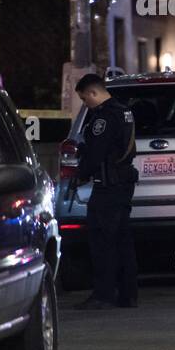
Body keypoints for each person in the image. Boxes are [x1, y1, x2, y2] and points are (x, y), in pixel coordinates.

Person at [71, 73, 139, 309]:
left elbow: (97, 153)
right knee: (122, 239)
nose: (85, 104)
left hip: (108, 185)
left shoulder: (104, 117)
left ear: (93, 93)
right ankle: (128, 294)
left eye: (84, 99)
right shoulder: (124, 111)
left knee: (102, 240)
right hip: (123, 182)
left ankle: (103, 294)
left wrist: (81, 174)